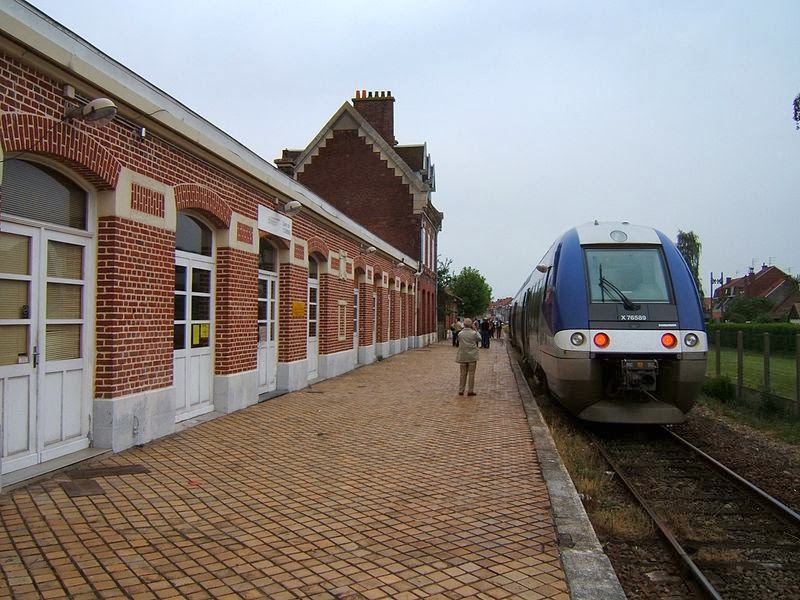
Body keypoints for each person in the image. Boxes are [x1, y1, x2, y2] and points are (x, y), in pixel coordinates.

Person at [455, 318, 480, 396]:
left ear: (464, 325)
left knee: (462, 374)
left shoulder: (460, 334)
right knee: (471, 374)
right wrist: (476, 329)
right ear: (471, 325)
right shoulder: (474, 333)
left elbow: (458, 341)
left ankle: (461, 390)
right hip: (472, 356)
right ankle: (470, 391)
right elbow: (479, 339)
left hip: (463, 356)